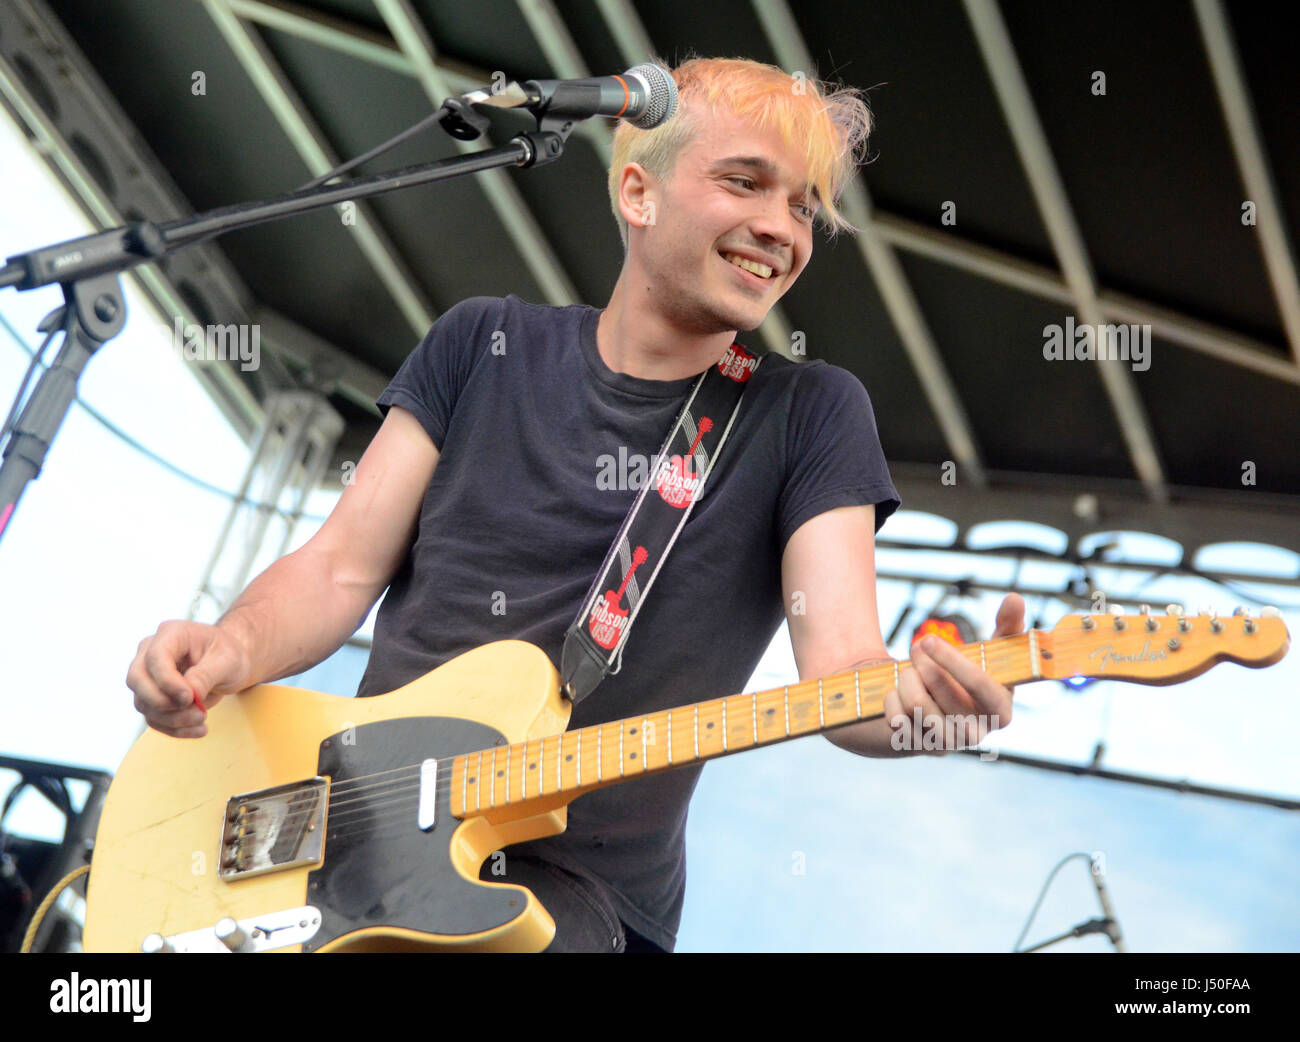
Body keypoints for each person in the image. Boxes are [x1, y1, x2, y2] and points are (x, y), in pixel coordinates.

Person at [125, 55, 1024, 952]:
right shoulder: (480, 342)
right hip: (349, 849)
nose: (779, 228)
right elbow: (336, 568)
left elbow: (842, 679)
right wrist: (229, 647)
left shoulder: (810, 413)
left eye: (801, 206)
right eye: (744, 183)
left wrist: (932, 712)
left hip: (578, 902)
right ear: (638, 191)